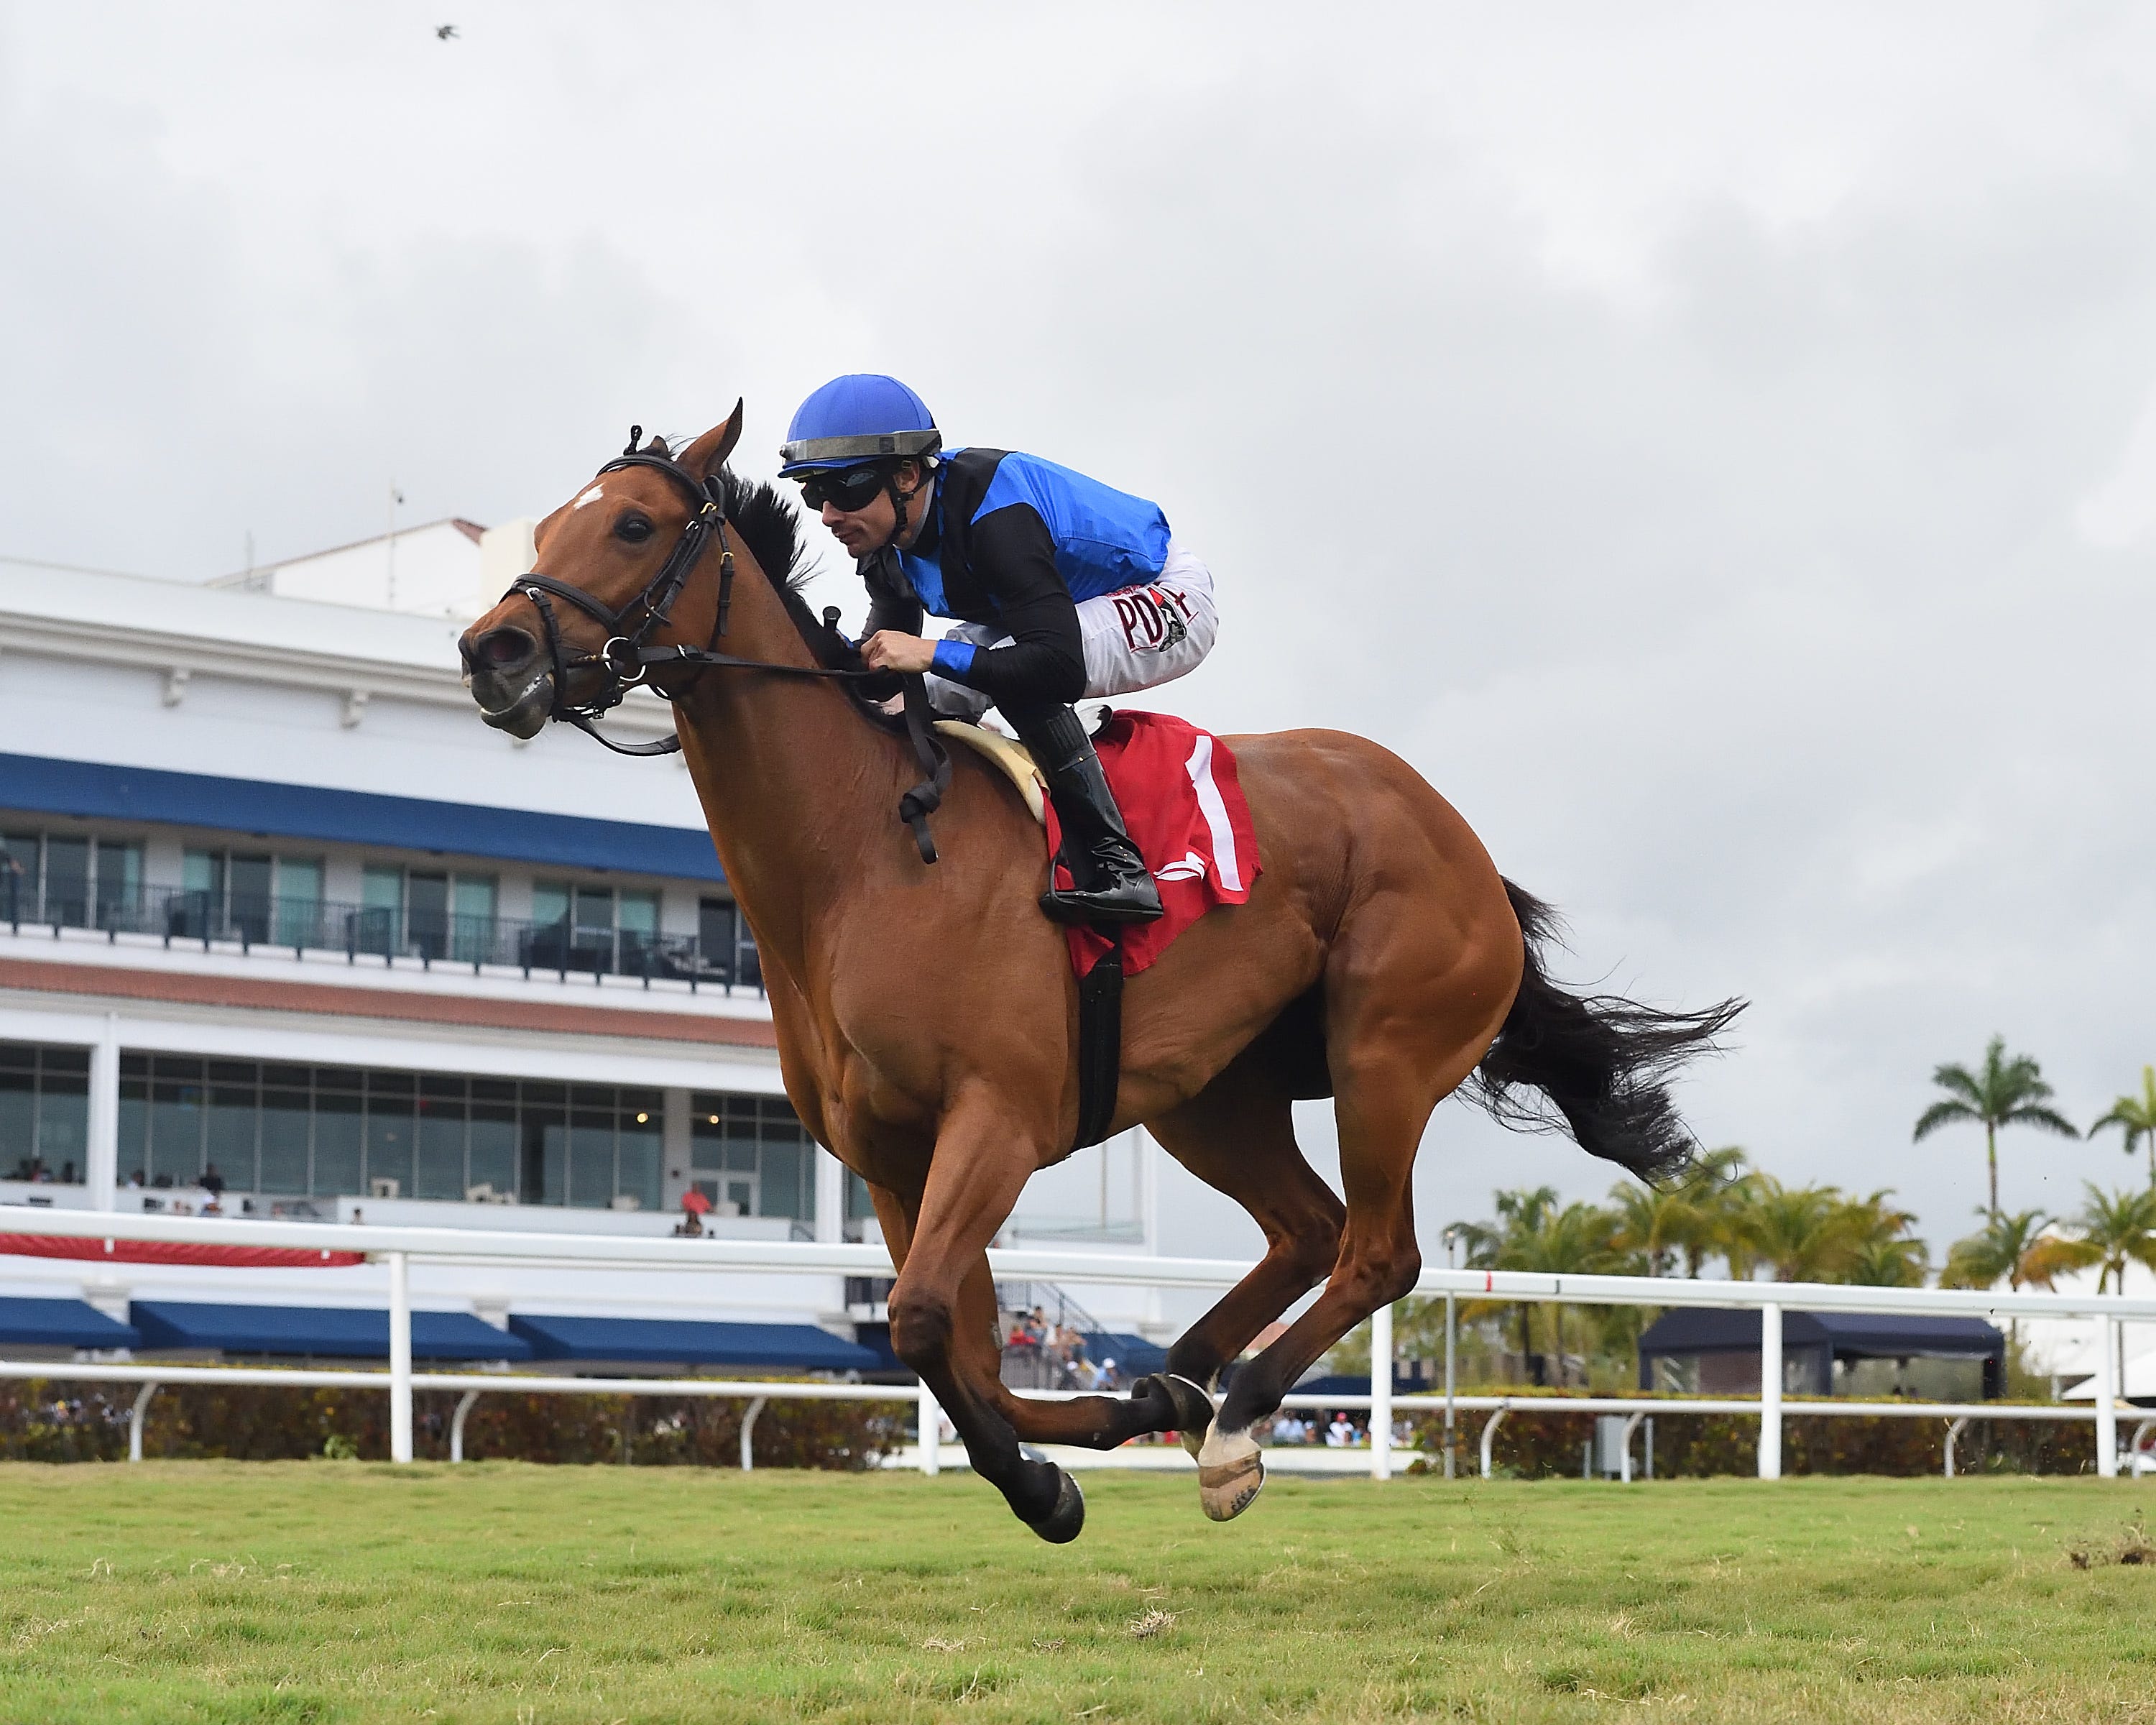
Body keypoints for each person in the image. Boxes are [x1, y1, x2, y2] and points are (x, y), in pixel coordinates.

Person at [779, 374, 1220, 926]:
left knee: (1008, 675)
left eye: (844, 491)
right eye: (815, 493)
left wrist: (932, 654)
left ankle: (1121, 868)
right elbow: (887, 666)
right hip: (1047, 612)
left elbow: (1054, 665)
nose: (828, 515)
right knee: (924, 685)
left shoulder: (995, 516)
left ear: (907, 475)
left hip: (1166, 594)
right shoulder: (885, 537)